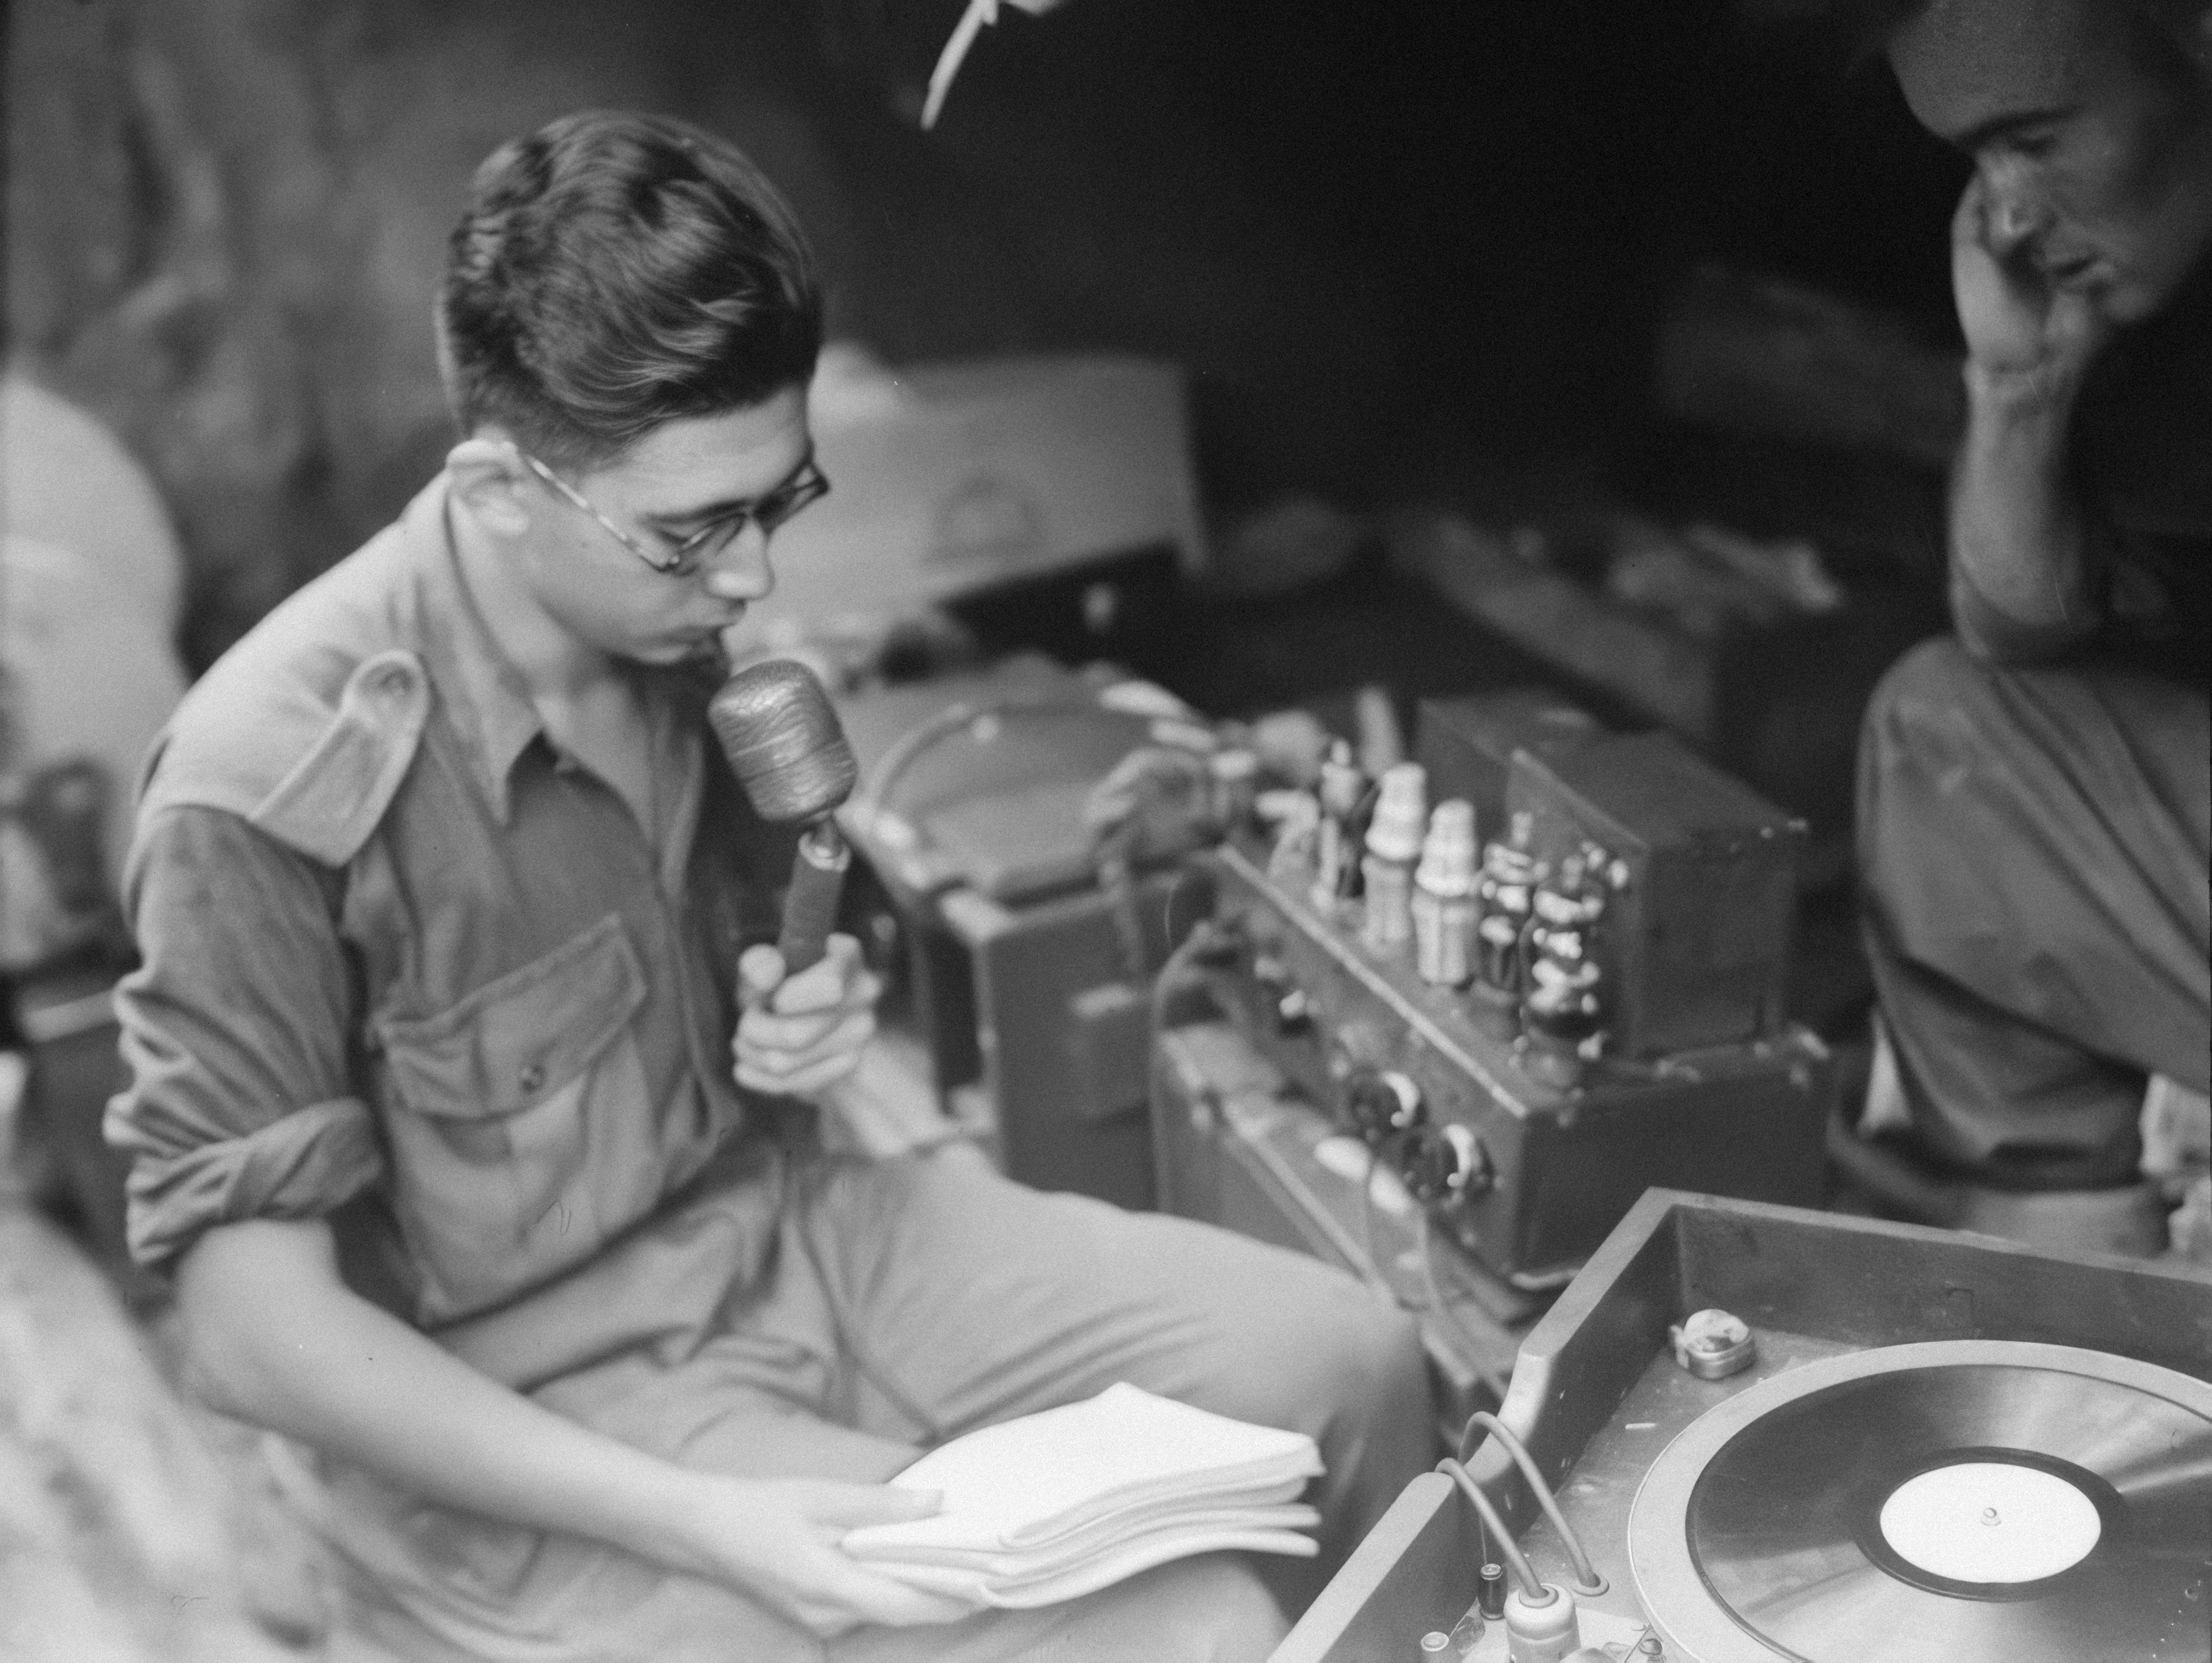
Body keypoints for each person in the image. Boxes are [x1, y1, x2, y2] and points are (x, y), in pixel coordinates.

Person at [104, 110, 1433, 1662]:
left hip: (793, 1228)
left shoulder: (680, 644)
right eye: (690, 532)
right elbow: (249, 1335)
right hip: (529, 1406)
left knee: (1354, 1367)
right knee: (1184, 1624)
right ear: (495, 489)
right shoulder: (262, 787)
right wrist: (707, 1524)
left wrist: (807, 1018)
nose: (752, 581)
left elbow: (749, 995)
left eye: (777, 501)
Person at [1843, 0, 2211, 1253]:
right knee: (1940, 722)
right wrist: (2017, 392)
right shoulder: (2148, 308)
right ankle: (2081, 1296)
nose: (2002, 215)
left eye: (2036, 139)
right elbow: (2011, 640)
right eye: (1971, 160)